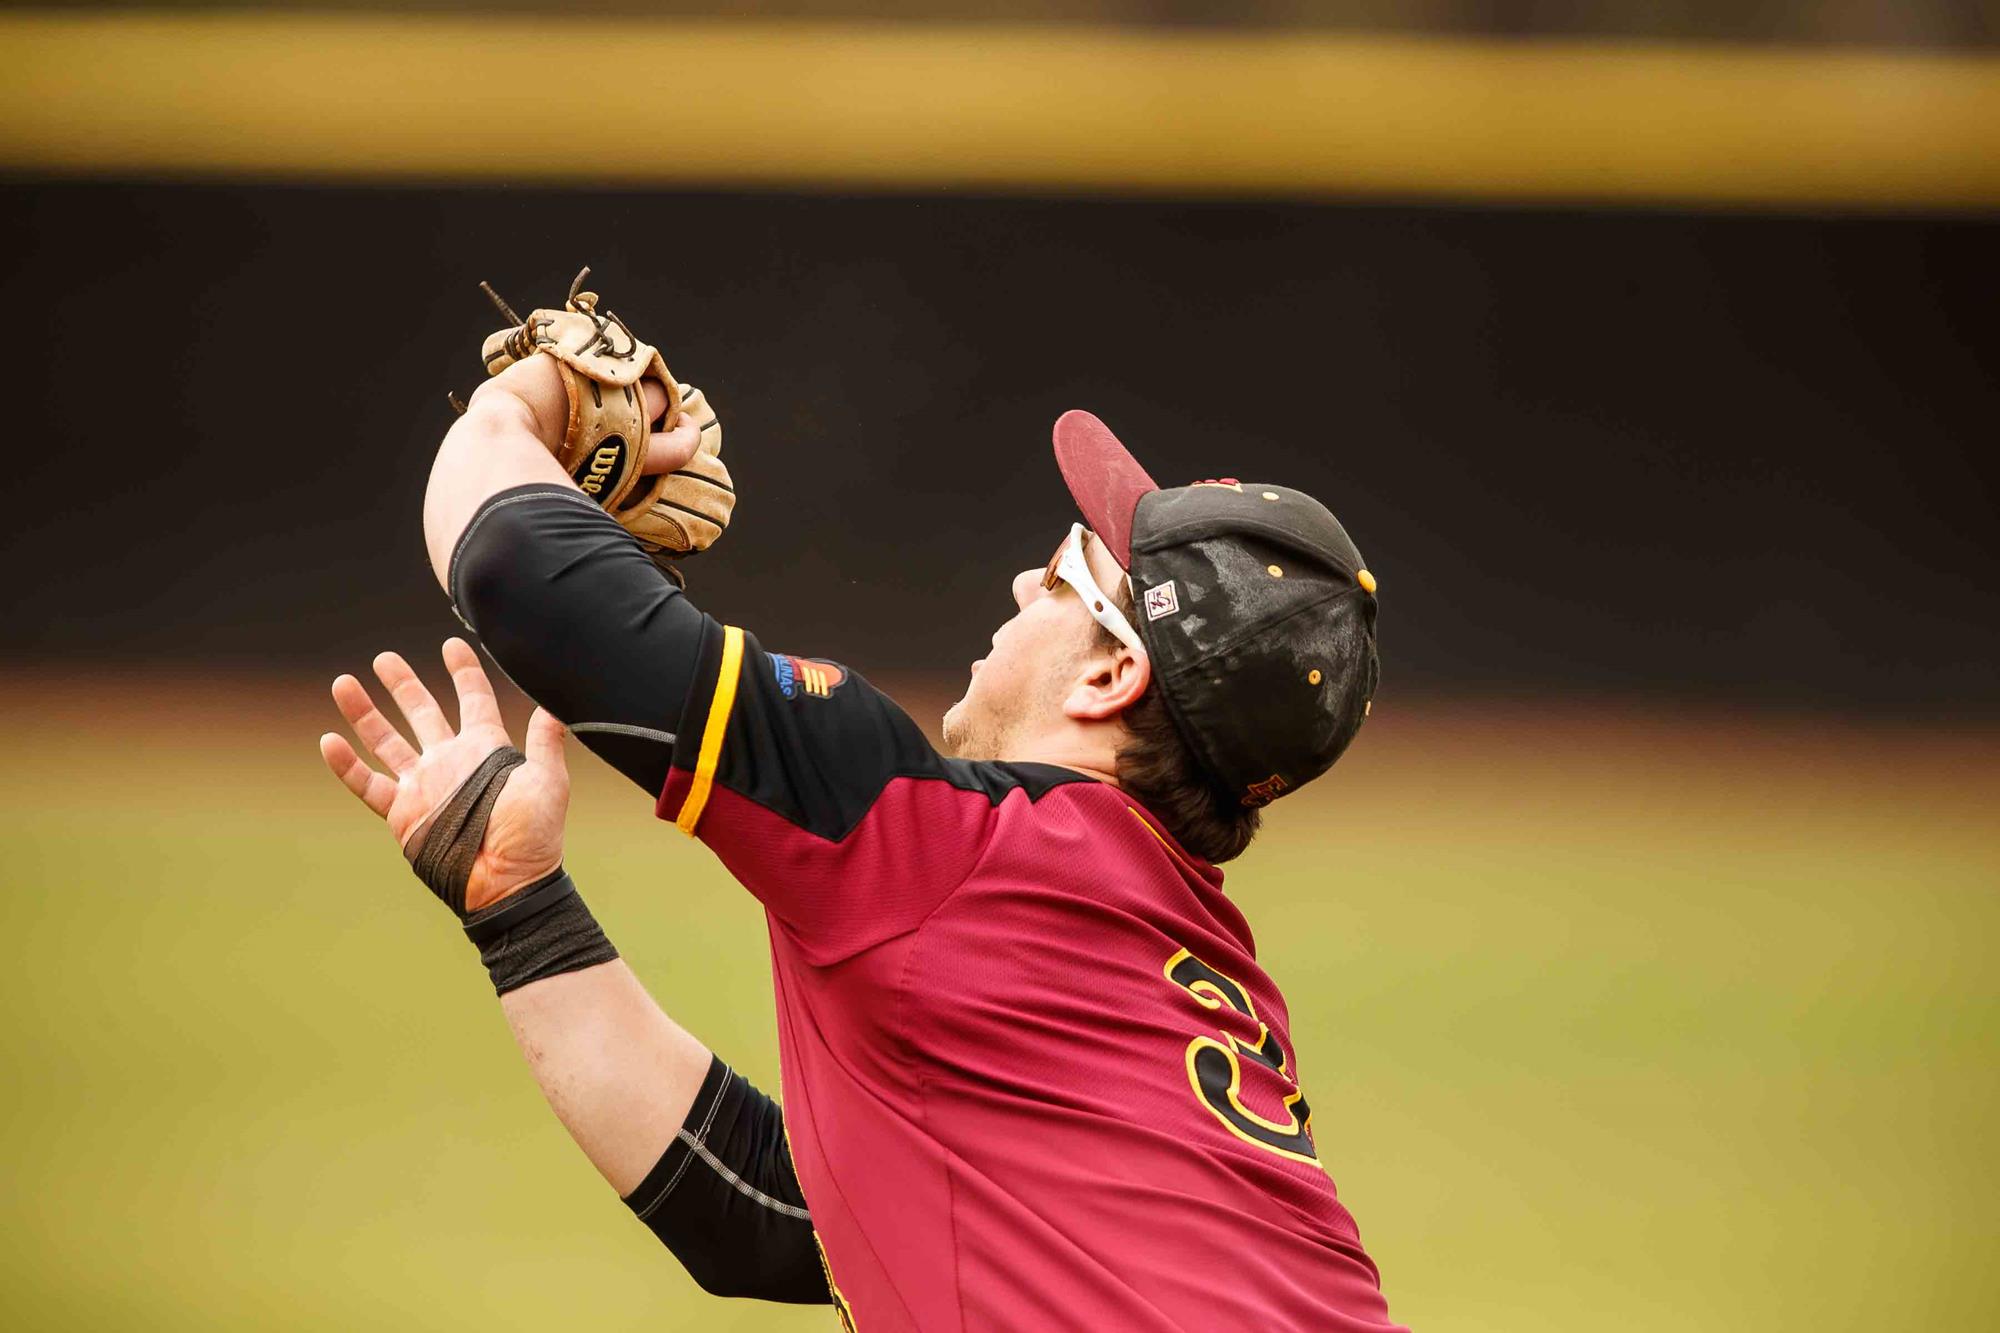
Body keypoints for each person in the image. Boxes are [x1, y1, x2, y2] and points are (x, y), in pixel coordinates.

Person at [320, 349, 1402, 1330]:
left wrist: (540, 397)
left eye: (1069, 571)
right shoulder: (1201, 975)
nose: (1027, 585)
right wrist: (520, 912)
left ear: (1109, 673)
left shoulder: (948, 847)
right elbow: (777, 1216)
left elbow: (511, 563)